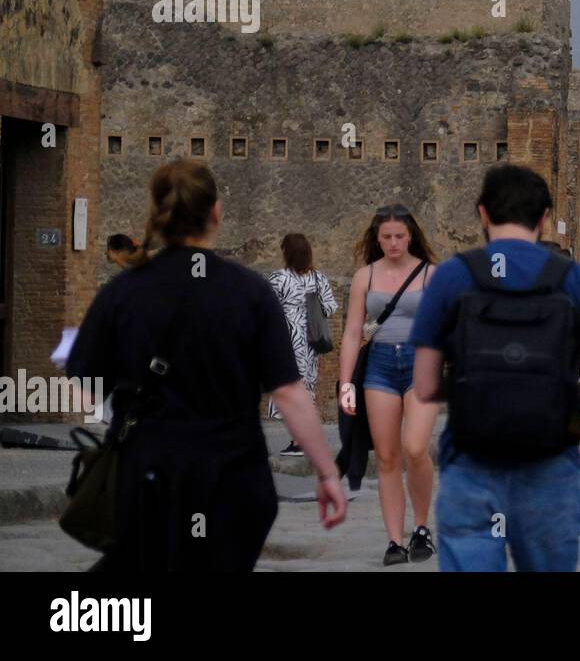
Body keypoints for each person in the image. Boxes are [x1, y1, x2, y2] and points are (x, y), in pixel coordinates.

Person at [67, 160, 346, 571]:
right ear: (216, 212)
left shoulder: (122, 293)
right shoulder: (250, 292)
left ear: (157, 215)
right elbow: (288, 393)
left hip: (148, 478)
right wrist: (326, 473)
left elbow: (87, 376)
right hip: (233, 483)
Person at [411, 164, 580, 572]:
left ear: (483, 213)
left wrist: (475, 389)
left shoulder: (452, 276)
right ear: (544, 218)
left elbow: (423, 384)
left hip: (471, 461)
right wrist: (557, 393)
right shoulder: (575, 280)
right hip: (550, 462)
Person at [338, 204, 439, 566]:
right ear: (376, 239)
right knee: (386, 457)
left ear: (410, 236)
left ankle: (423, 526)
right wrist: (345, 383)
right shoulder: (365, 276)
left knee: (414, 448)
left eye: (399, 236)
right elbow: (352, 334)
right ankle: (395, 540)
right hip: (379, 364)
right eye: (386, 237)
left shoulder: (431, 274)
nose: (393, 243)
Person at [266, 233, 339, 453]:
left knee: (288, 390)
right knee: (307, 389)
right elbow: (330, 308)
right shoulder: (318, 278)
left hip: (288, 341)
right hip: (311, 342)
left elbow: (267, 310)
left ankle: (300, 441)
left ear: (287, 253)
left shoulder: (279, 278)